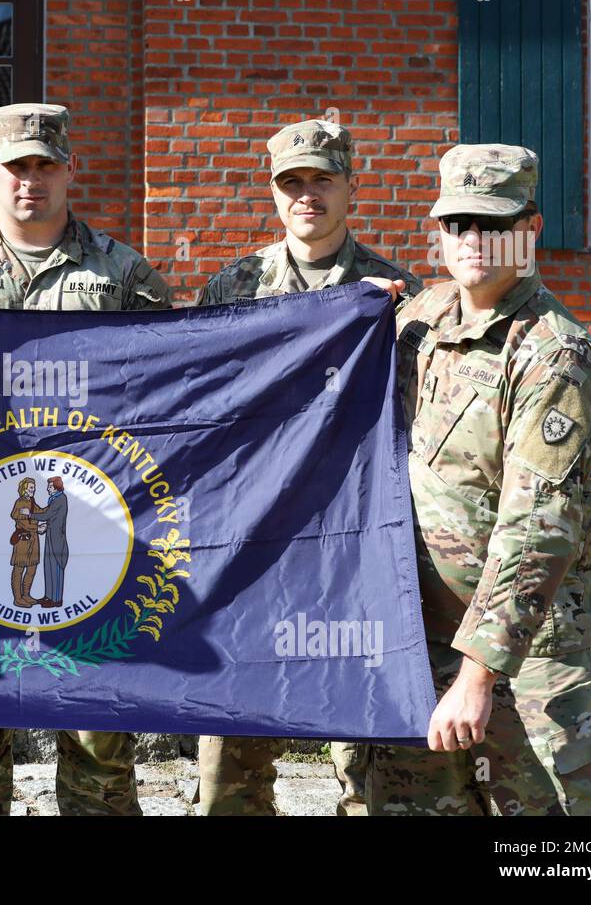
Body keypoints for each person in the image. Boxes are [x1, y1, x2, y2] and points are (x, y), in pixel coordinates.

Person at [0, 102, 171, 815]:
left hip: (91, 521)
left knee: (97, 725)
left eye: (46, 166)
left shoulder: (123, 273)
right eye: (17, 166)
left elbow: (170, 390)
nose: (32, 180)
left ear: (69, 171)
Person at [368, 144, 591, 815]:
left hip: (527, 660)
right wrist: (349, 314)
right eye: (457, 223)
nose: (472, 239)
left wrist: (478, 676)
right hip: (419, 644)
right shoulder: (417, 323)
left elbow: (536, 534)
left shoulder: (553, 356)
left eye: (493, 223)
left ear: (531, 229)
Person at [194, 119, 423, 816]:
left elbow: (416, 419)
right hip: (254, 544)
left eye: (322, 180)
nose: (307, 196)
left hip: (353, 548)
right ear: (273, 191)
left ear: (352, 185)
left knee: (366, 759)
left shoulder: (398, 297)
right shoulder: (234, 288)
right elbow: (201, 410)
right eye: (292, 183)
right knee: (230, 760)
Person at [30, 477, 69, 608]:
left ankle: (56, 600)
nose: (47, 488)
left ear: (57, 487)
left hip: (57, 538)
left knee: (56, 569)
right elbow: (48, 514)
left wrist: (30, 514)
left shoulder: (60, 499)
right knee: (48, 567)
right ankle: (48, 596)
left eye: (50, 487)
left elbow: (48, 514)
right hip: (50, 535)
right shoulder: (54, 498)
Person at [9, 478, 41, 608]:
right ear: (24, 488)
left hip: (33, 540)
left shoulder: (32, 502)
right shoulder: (20, 502)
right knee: (19, 569)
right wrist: (38, 528)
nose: (32, 489)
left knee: (32, 569)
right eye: (30, 487)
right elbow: (22, 522)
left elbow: (40, 512)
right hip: (23, 540)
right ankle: (18, 598)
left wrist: (52, 509)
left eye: (33, 487)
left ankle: (26, 595)